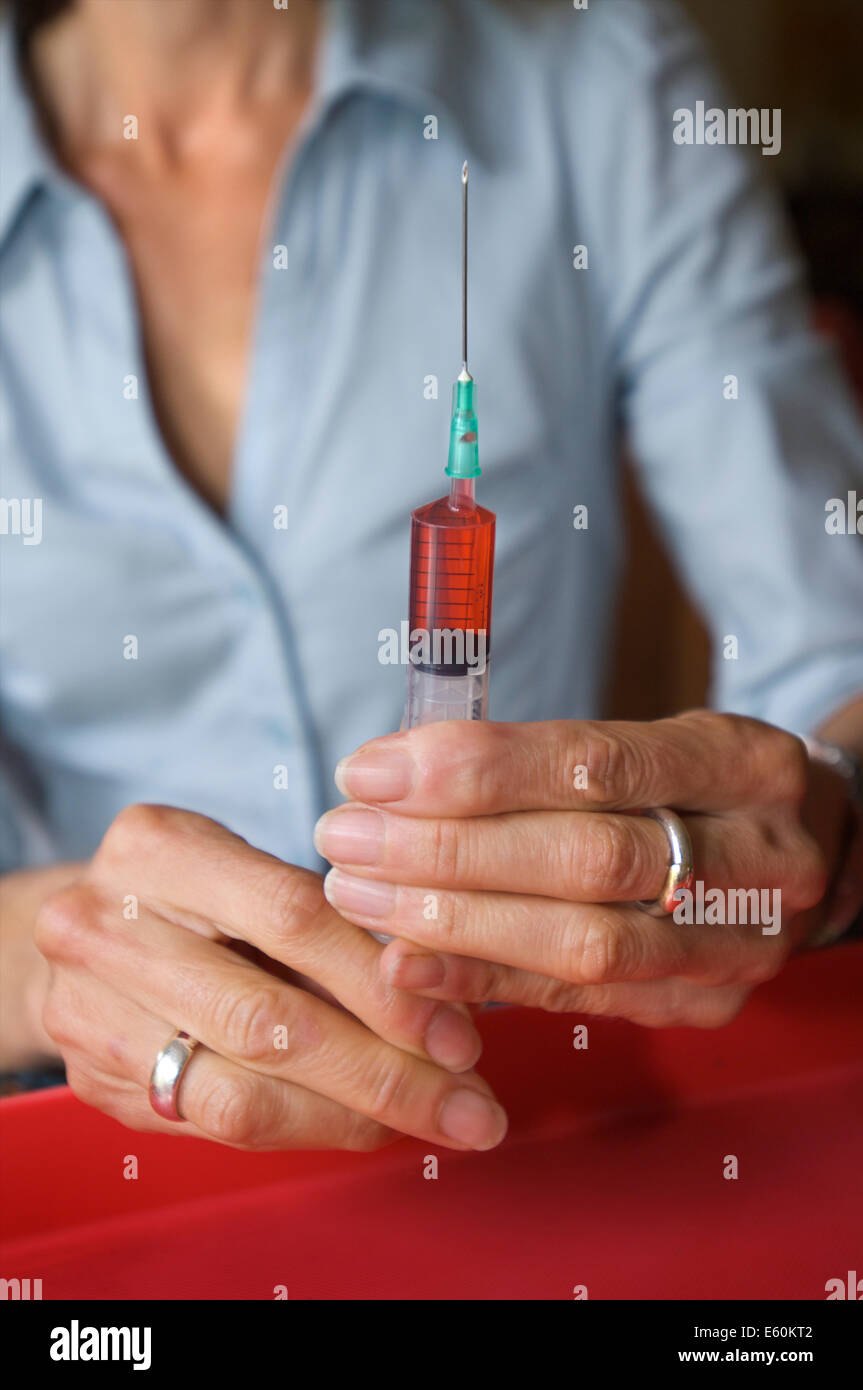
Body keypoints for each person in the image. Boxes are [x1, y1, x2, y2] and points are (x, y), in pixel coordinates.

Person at [1, 0, 862, 1152]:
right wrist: (49, 954)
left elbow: (834, 652)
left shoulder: (591, 86)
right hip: (90, 1149)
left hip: (514, 1113)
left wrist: (795, 834)